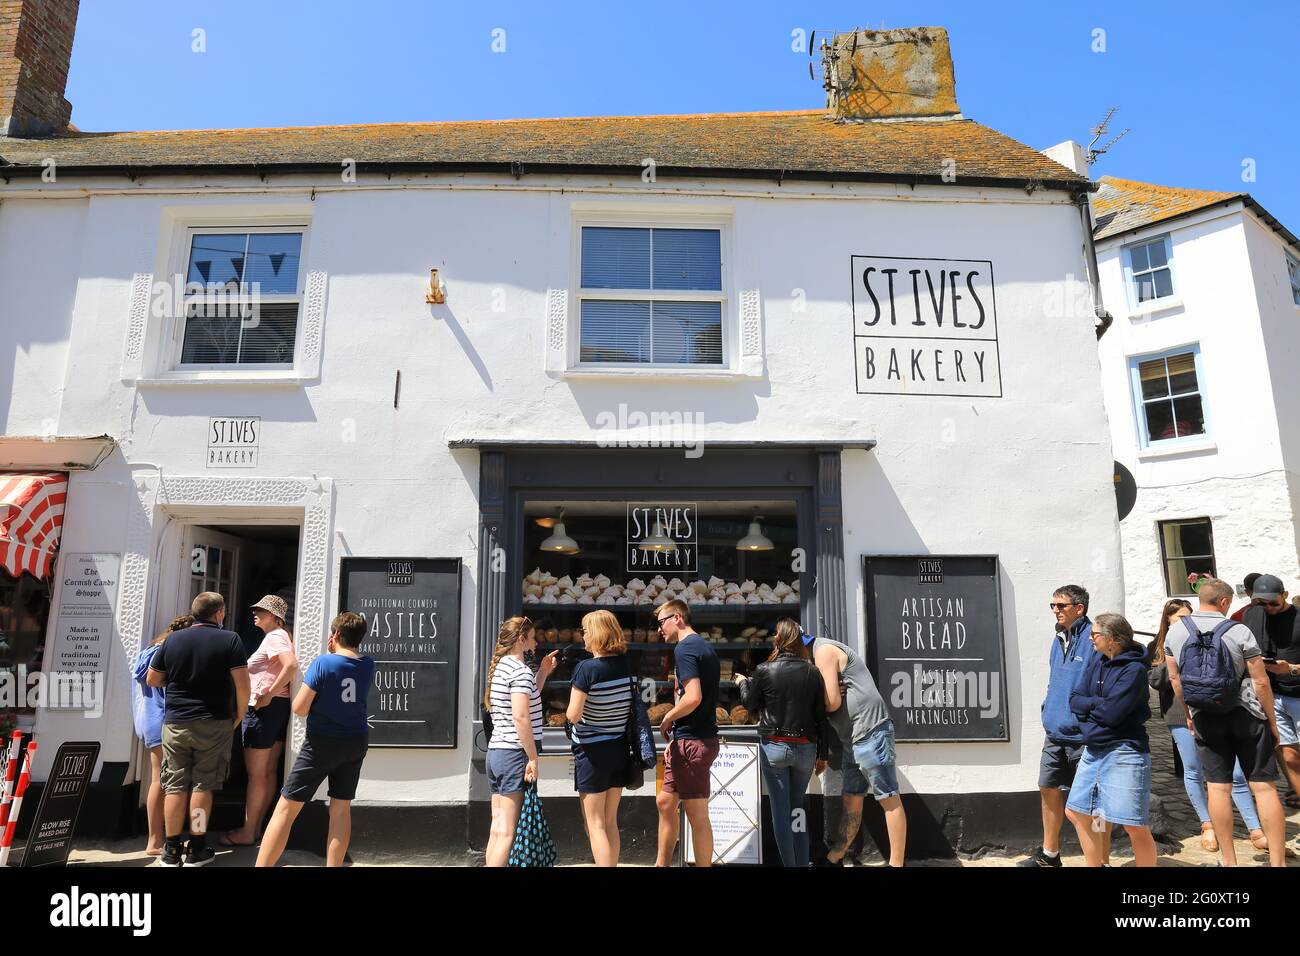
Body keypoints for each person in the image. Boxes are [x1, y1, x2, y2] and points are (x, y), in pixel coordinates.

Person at [1166, 577, 1287, 866]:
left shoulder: (1175, 632)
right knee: (1264, 787)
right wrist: (1272, 721)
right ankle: (1278, 862)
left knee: (1218, 788)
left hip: (1205, 715)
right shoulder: (1239, 630)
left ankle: (1229, 861)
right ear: (1223, 602)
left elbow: (1175, 679)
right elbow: (1261, 682)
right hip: (1246, 714)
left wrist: (1189, 714)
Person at [255, 612, 375, 867]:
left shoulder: (323, 663)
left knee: (286, 809)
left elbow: (299, 707)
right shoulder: (367, 664)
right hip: (355, 740)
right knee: (340, 809)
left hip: (322, 743)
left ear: (336, 635)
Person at [1148, 599, 1267, 851]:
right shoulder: (1158, 646)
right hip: (1179, 713)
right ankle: (1207, 824)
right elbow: (1157, 681)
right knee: (1193, 769)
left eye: (1188, 616)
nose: (1186, 622)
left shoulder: (1208, 637)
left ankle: (1254, 827)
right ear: (1168, 619)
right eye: (1180, 618)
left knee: (1235, 773)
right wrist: (1177, 657)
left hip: (1211, 711)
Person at [146, 592, 249, 867]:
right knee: (204, 785)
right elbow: (242, 683)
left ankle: (170, 849)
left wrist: (179, 680)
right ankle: (197, 846)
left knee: (174, 785)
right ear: (219, 613)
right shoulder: (230, 640)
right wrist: (239, 714)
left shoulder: (173, 639)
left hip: (176, 722)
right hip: (214, 722)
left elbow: (153, 678)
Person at [1020, 584, 1108, 868]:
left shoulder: (1094, 639)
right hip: (1055, 732)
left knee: (1095, 803)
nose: (1055, 610)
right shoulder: (1057, 638)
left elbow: (1102, 684)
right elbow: (1055, 679)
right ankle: (1050, 854)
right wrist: (1049, 709)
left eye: (1061, 606)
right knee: (1048, 789)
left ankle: (1102, 860)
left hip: (1084, 737)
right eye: (1053, 605)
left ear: (1079, 609)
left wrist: (1090, 721)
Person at [1065, 613, 1157, 867]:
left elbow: (1112, 714)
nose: (1090, 639)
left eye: (1094, 634)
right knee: (1079, 812)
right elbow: (1074, 699)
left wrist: (1090, 708)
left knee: (1133, 824)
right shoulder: (1098, 660)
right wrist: (1097, 705)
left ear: (1112, 639)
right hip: (1094, 749)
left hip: (1124, 751)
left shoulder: (1134, 670)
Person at [736, 618, 829, 867]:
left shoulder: (764, 670)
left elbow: (750, 704)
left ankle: (790, 864)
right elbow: (821, 717)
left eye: (775, 633)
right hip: (806, 748)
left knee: (780, 812)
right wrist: (823, 755)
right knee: (797, 809)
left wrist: (742, 682)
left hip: (775, 747)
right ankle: (802, 863)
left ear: (779, 638)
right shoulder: (812, 672)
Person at [812, 629, 906, 866]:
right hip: (851, 740)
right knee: (851, 799)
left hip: (870, 732)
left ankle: (897, 864)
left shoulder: (822, 651)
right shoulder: (818, 656)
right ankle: (835, 857)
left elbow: (833, 702)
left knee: (888, 797)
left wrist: (824, 697)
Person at [218, 595, 297, 848]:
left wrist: (267, 694)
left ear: (274, 616)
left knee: (256, 775)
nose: (255, 613)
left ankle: (248, 831)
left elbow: (290, 666)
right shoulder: (280, 636)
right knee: (268, 771)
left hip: (264, 710)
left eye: (260, 610)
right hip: (277, 709)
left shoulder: (275, 637)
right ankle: (256, 828)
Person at [481, 616, 557, 867]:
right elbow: (521, 716)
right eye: (533, 638)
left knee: (497, 828)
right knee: (507, 833)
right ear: (521, 639)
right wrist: (533, 758)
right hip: (515, 755)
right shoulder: (520, 671)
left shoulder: (503, 667)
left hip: (496, 752)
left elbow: (527, 697)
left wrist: (543, 672)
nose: (536, 643)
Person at [654, 599, 721, 867]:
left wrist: (667, 718)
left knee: (696, 813)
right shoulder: (702, 646)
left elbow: (693, 697)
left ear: (677, 618)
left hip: (693, 742)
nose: (659, 629)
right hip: (687, 740)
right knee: (665, 802)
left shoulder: (686, 648)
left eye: (662, 622)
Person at [566, 609, 632, 866]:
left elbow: (573, 714)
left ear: (595, 633)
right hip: (619, 748)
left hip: (592, 753)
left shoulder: (586, 669)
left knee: (594, 824)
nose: (582, 636)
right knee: (609, 821)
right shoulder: (626, 665)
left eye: (584, 631)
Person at [132, 614, 192, 856]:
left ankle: (161, 837)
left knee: (162, 779)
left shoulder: (150, 651)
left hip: (148, 719)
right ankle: (155, 841)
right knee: (162, 780)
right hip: (163, 719)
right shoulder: (168, 654)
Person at [1240, 574, 1300, 809]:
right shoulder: (1252, 615)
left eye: (1273, 603)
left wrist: (1291, 669)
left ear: (1285, 595)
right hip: (1273, 695)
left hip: (1298, 694)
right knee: (1288, 753)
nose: (1268, 608)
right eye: (1262, 603)